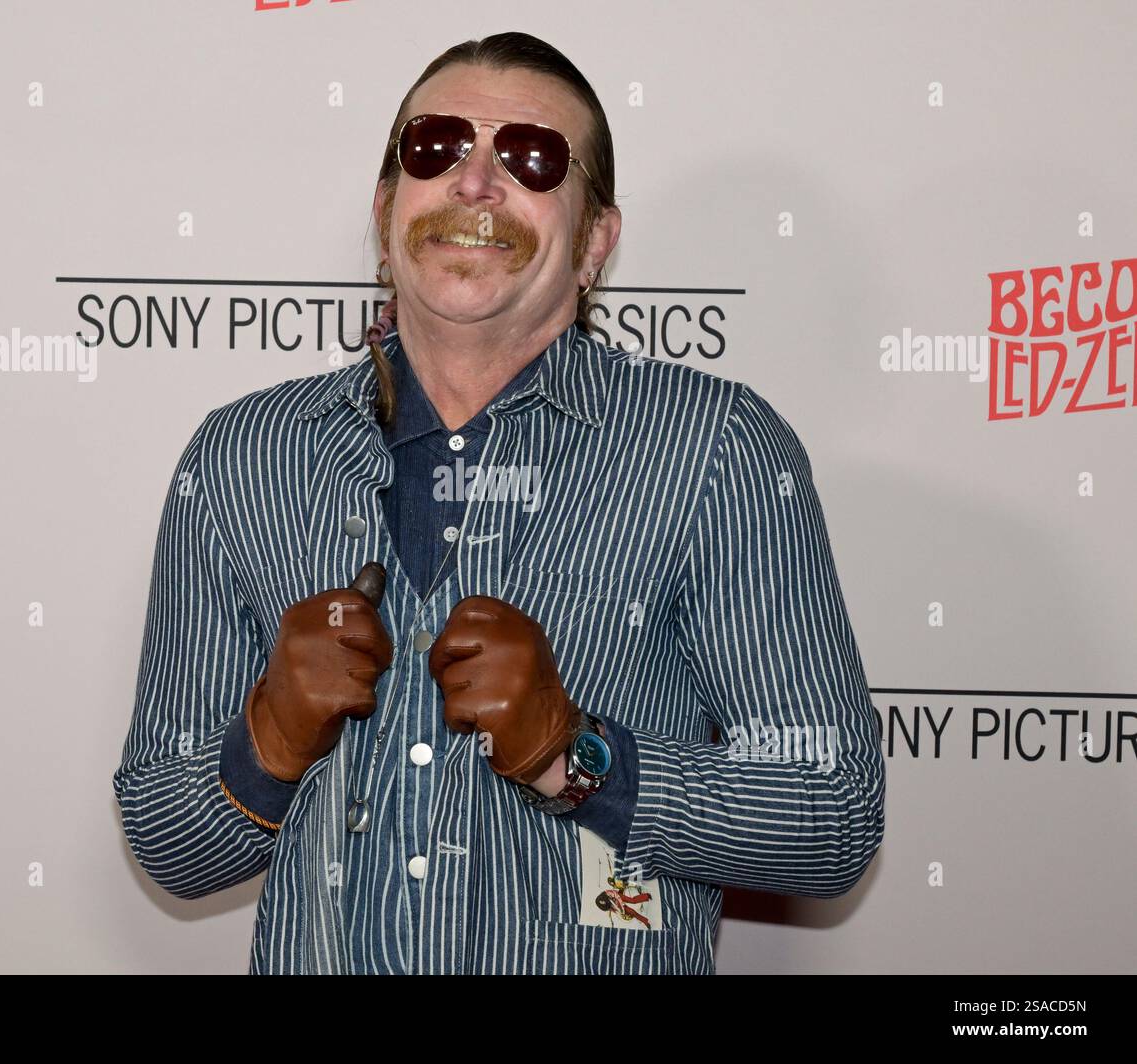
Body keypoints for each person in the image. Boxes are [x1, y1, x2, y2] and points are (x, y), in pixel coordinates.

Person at [112, 30, 885, 975]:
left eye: (531, 158)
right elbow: (166, 843)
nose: (475, 184)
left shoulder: (715, 450)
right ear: (388, 207)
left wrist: (579, 756)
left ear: (595, 242)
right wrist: (267, 740)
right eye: (435, 149)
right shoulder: (242, 458)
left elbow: (833, 816)